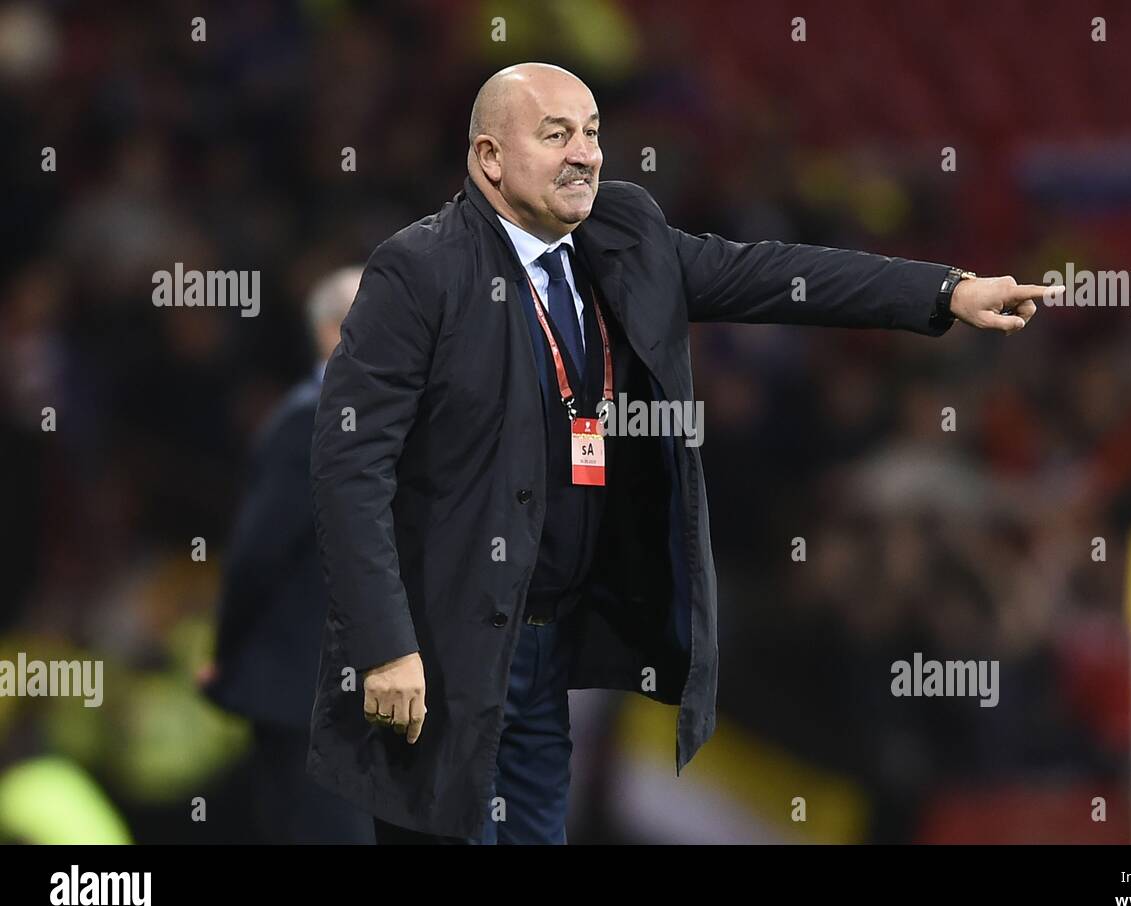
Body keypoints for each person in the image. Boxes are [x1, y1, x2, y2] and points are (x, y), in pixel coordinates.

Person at [306, 62, 1047, 844]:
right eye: (555, 135)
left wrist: (943, 291)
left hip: (552, 644)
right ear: (489, 157)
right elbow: (349, 463)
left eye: (592, 132)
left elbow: (771, 273)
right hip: (444, 649)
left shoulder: (621, 243)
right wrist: (388, 645)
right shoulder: (419, 270)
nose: (585, 153)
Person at [205, 266, 374, 843]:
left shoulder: (391, 414)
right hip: (303, 687)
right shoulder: (310, 417)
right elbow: (258, 554)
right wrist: (228, 651)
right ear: (331, 331)